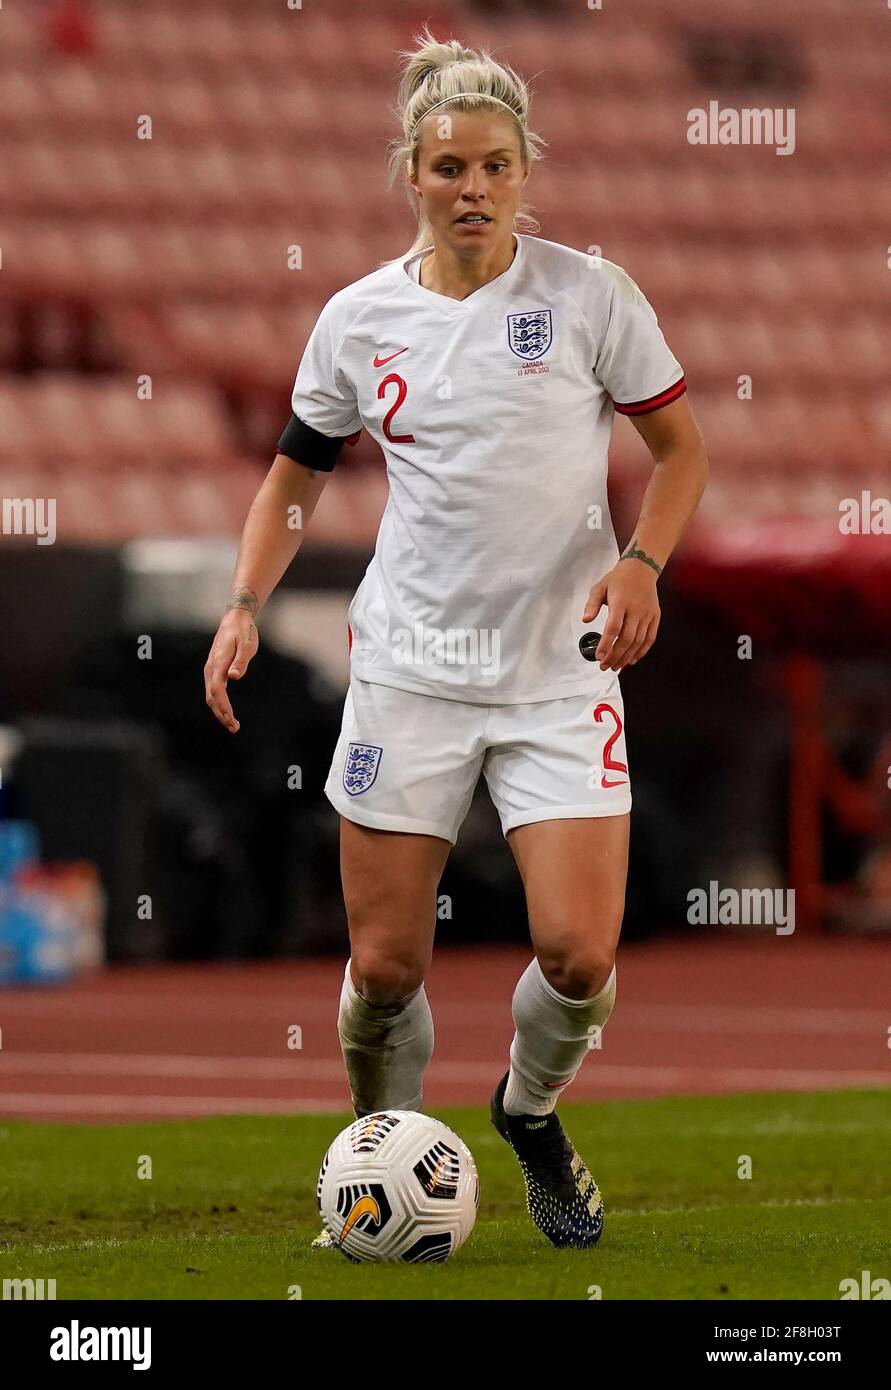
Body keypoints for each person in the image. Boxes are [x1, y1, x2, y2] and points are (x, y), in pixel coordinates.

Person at [204, 26, 708, 1251]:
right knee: (384, 969)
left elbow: (682, 450)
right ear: (412, 174)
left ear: (526, 171)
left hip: (557, 671)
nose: (471, 188)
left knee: (580, 953)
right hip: (409, 678)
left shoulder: (592, 295)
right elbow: (296, 469)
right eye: (448, 168)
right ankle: (374, 1172)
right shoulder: (360, 318)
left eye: (493, 166)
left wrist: (642, 563)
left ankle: (528, 1113)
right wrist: (244, 600)